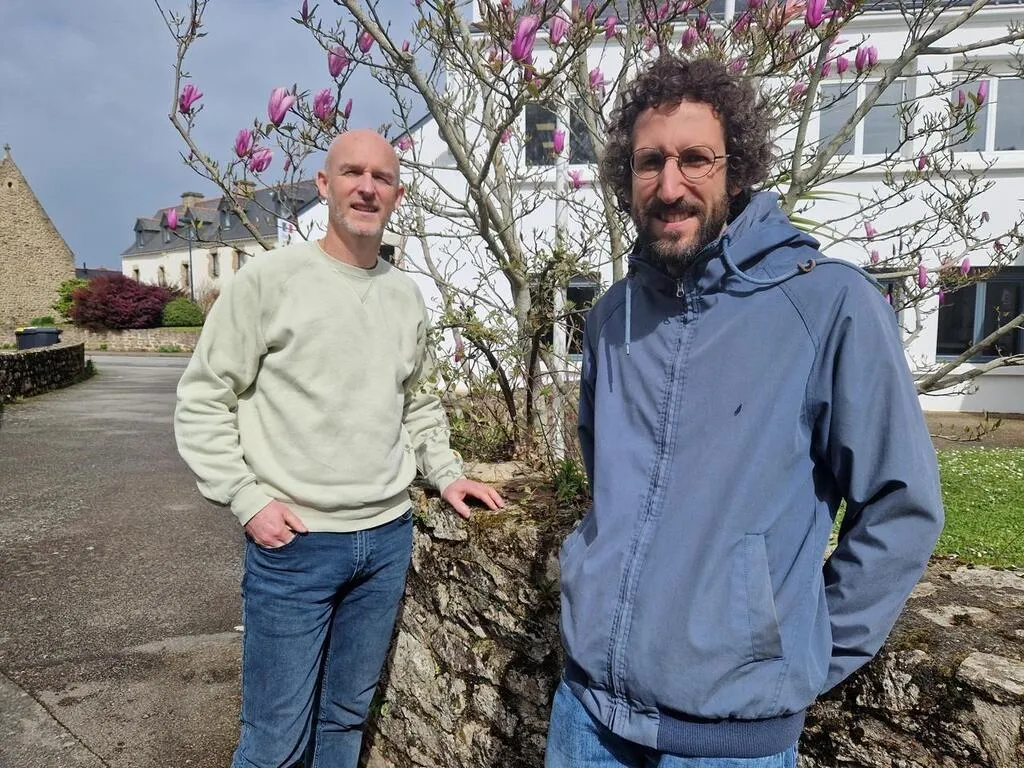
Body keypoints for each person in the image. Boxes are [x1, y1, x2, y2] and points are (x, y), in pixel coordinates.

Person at [545, 56, 943, 767]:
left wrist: (803, 655)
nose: (670, 186)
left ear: (738, 167)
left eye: (695, 159)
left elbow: (901, 505)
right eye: (649, 162)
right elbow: (608, 483)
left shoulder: (830, 304)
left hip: (729, 742)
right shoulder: (612, 316)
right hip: (586, 717)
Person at [174, 129, 503, 768]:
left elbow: (416, 403)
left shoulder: (405, 295)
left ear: (397, 195)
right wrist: (246, 498)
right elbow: (203, 398)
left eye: (382, 178)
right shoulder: (270, 280)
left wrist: (446, 473)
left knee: (345, 723)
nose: (367, 187)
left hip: (384, 539)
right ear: (324, 185)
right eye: (352, 172)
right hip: (296, 546)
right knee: (273, 744)